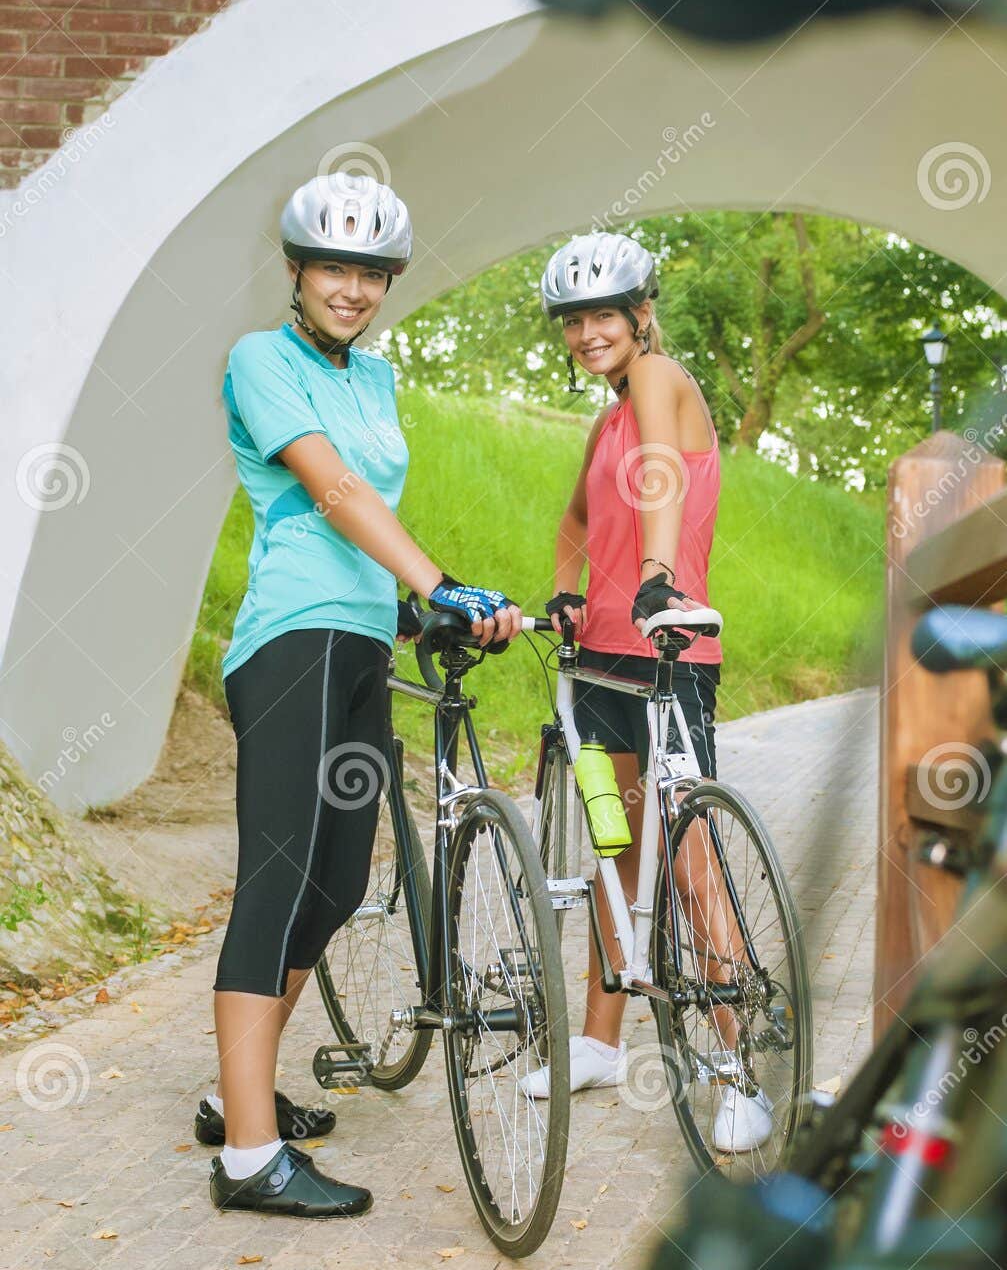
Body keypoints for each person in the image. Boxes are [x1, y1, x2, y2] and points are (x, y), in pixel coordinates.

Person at [199, 170, 524, 1217]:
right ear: (296, 270)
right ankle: (248, 1159)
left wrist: (421, 604)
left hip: (355, 640)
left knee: (338, 881)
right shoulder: (259, 359)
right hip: (289, 639)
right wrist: (435, 580)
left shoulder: (375, 379)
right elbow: (330, 491)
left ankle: (233, 1090)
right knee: (278, 875)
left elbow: (370, 513)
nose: (350, 288)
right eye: (333, 266)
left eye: (370, 271)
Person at [522, 230, 771, 1153]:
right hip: (600, 659)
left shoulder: (661, 380)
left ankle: (742, 1071)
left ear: (638, 316)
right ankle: (597, 1040)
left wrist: (660, 577)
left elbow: (663, 475)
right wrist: (567, 587)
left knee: (689, 857)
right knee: (614, 847)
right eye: (573, 321)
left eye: (603, 316)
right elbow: (577, 517)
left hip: (669, 654)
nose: (588, 333)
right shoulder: (604, 418)